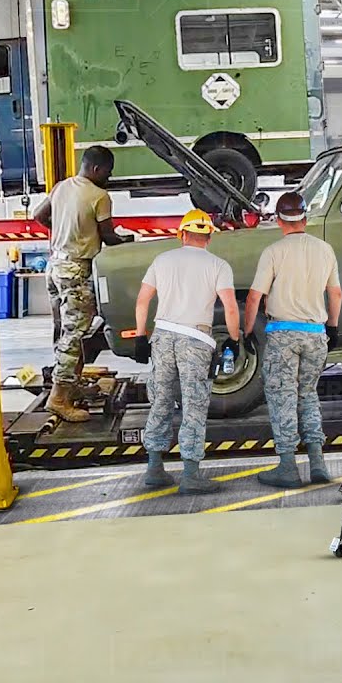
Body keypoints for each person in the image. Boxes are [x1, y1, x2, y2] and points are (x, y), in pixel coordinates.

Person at [132, 209, 241, 494]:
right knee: (193, 405)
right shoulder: (219, 265)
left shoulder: (162, 260)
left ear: (181, 234)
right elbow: (230, 306)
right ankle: (191, 475)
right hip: (195, 340)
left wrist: (141, 337)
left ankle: (155, 468)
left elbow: (143, 301)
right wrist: (233, 339)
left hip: (163, 337)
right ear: (208, 237)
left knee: (161, 400)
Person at [244, 192, 342, 489]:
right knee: (308, 395)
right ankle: (318, 464)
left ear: (278, 219)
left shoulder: (273, 251)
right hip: (316, 335)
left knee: (283, 397)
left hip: (283, 335)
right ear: (305, 219)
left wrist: (247, 331)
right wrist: (333, 327)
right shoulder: (324, 249)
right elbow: (335, 293)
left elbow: (254, 297)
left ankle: (288, 467)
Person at [32, 145, 133, 422]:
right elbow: (109, 236)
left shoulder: (62, 187)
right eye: (108, 173)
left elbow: (38, 216)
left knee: (63, 332)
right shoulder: (100, 196)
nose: (109, 178)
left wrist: (65, 229)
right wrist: (127, 241)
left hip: (55, 266)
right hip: (77, 270)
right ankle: (59, 399)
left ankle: (70, 384)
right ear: (96, 169)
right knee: (74, 336)